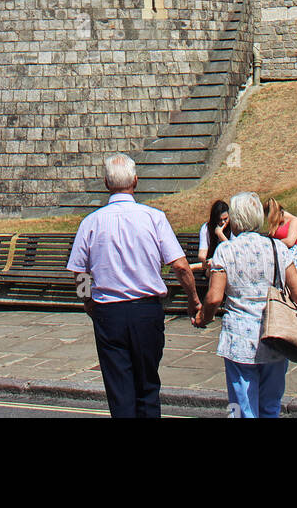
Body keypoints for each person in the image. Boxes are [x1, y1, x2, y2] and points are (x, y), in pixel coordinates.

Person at [67, 153, 201, 419]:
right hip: (146, 311)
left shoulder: (91, 222)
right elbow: (181, 266)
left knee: (119, 390)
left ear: (106, 183)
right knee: (148, 385)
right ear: (136, 181)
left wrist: (87, 302)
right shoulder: (154, 217)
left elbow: (79, 272)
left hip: (109, 313)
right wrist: (193, 298)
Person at [195, 191, 297, 418]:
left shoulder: (226, 251)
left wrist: (202, 318)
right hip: (275, 336)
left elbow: (214, 297)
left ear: (235, 220)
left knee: (244, 409)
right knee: (271, 406)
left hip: (240, 340)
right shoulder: (277, 248)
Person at [262, 196, 297, 277]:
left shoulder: (295, 221)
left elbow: (290, 242)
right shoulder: (276, 225)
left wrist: (271, 244)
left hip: (295, 256)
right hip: (282, 255)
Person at [194, 199, 231, 272]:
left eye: (225, 219)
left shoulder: (233, 227)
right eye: (219, 220)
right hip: (211, 267)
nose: (223, 222)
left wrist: (220, 234)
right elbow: (202, 255)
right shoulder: (206, 228)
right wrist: (207, 260)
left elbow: (232, 251)